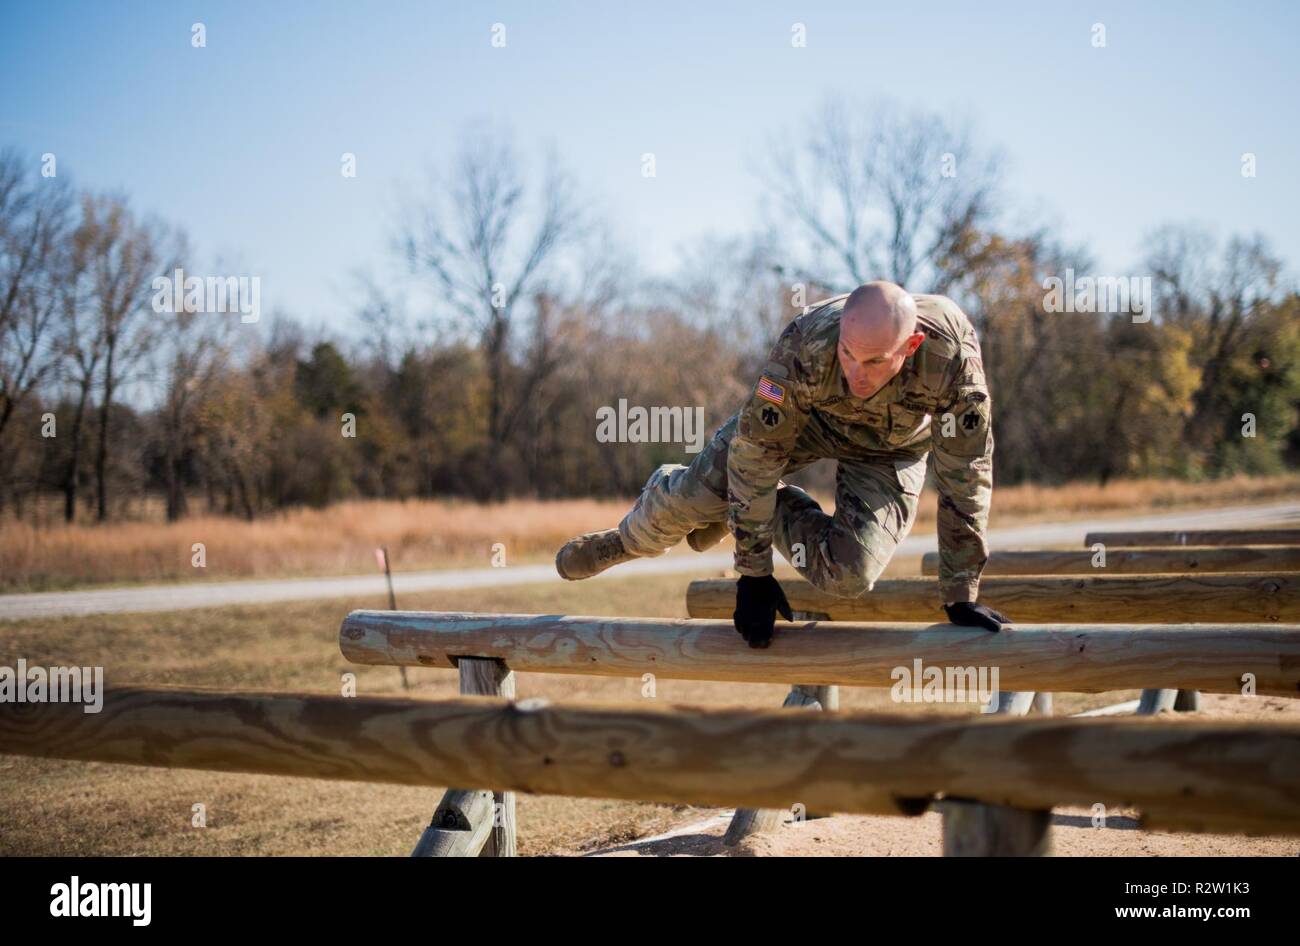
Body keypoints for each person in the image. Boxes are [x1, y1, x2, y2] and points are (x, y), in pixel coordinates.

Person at [555, 281, 1010, 647]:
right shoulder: (807, 343)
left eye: (873, 362)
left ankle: (753, 511)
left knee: (849, 574)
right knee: (695, 496)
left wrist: (960, 589)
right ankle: (625, 542)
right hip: (808, 423)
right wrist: (754, 574)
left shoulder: (952, 360)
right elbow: (756, 454)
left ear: (910, 346)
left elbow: (965, 475)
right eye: (848, 354)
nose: (855, 372)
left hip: (891, 449)